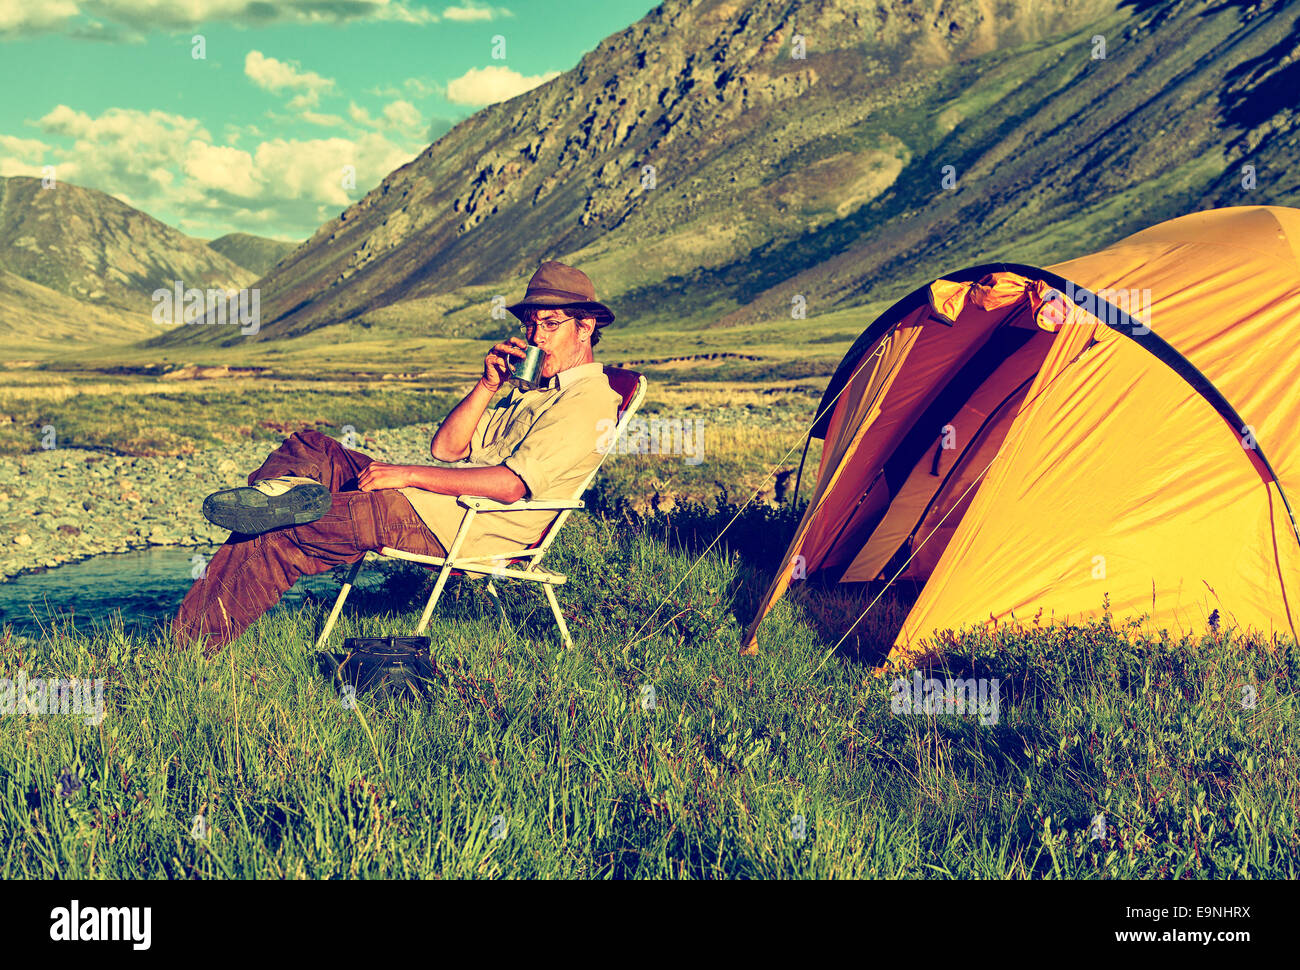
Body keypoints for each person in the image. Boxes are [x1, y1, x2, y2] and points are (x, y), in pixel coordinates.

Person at [170, 261, 622, 653]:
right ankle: (284, 491)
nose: (536, 337)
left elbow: (510, 485)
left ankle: (186, 654)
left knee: (282, 529)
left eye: (550, 325)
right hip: (436, 504)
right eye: (531, 325)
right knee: (313, 447)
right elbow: (447, 449)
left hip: (462, 525)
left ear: (585, 327)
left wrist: (406, 475)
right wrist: (488, 386)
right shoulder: (533, 389)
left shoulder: (587, 401)